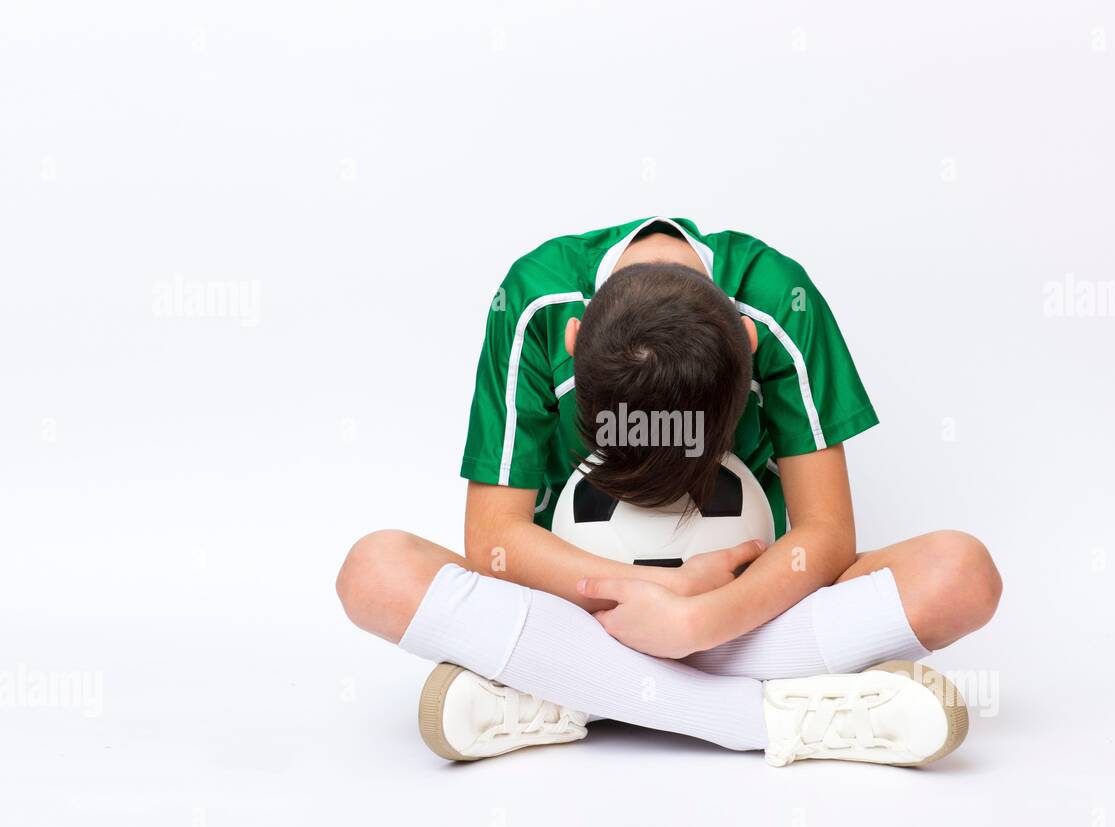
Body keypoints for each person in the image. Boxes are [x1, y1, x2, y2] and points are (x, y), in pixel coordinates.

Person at [335, 216, 1002, 767]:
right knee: (373, 572)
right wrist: (657, 593)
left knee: (961, 575)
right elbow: (495, 541)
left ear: (745, 345)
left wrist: (702, 620)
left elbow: (824, 533)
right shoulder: (536, 301)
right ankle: (768, 718)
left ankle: (564, 689)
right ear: (575, 341)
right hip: (579, 597)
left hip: (747, 598)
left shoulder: (776, 300)